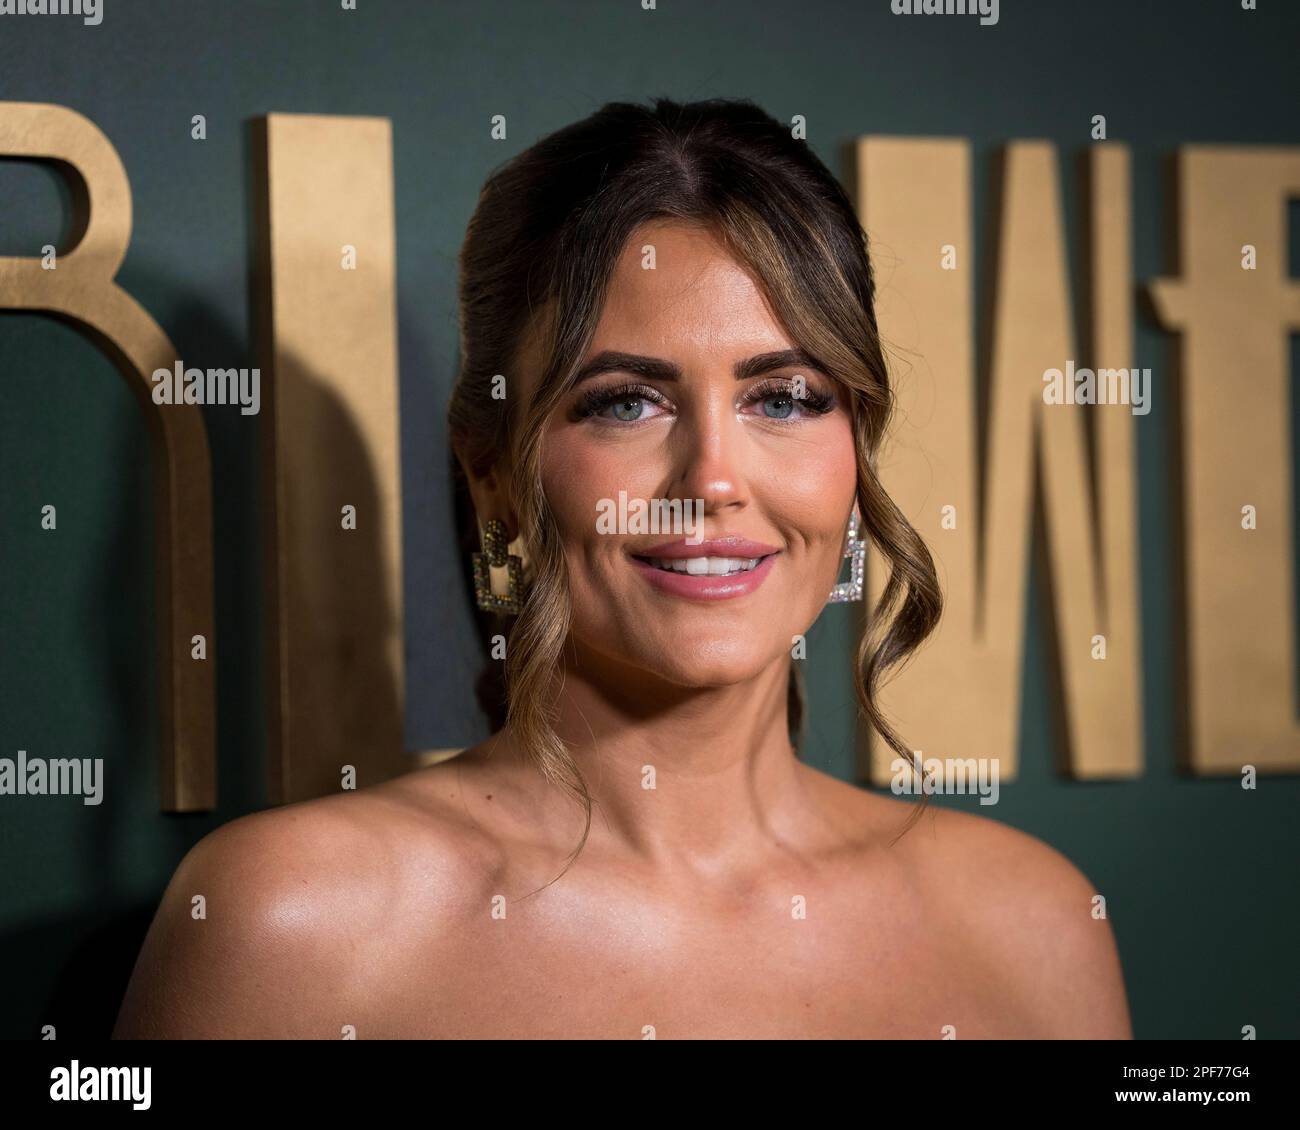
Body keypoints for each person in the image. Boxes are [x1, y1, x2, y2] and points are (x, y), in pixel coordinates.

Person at [112, 97, 1131, 1039]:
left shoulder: (1030, 923)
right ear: (495, 478)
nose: (715, 479)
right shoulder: (293, 924)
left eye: (783, 396)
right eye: (625, 401)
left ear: (854, 450)